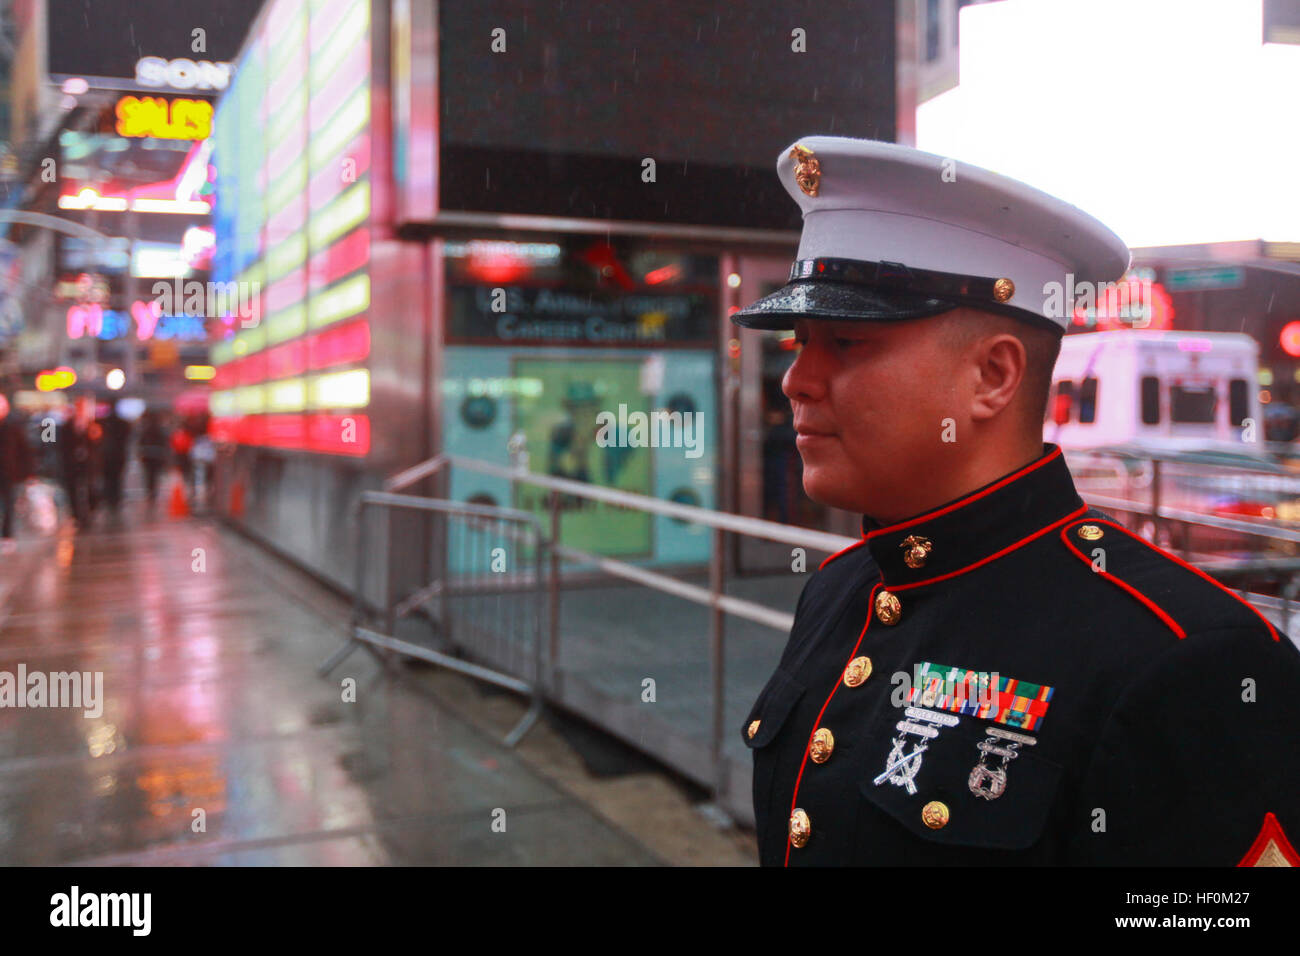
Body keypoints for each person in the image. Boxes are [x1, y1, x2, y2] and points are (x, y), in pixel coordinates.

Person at [732, 136, 1300, 866]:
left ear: (993, 376)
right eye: (799, 342)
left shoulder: (1188, 660)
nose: (797, 381)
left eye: (844, 341)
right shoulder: (841, 589)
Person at [0, 394, 34, 547]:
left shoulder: (13, 428)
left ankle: (7, 535)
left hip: (8, 473)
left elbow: (24, 451)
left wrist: (27, 472)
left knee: (9, 504)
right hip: (8, 472)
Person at [97, 404, 131, 514]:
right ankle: (114, 497)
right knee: (116, 478)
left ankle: (110, 497)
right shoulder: (122, 424)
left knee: (109, 478)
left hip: (107, 456)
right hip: (117, 455)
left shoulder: (104, 423)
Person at [137, 411, 168, 509]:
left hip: (148, 455)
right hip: (156, 455)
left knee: (149, 474)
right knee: (154, 474)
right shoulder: (160, 430)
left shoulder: (145, 430)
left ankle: (150, 491)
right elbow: (164, 443)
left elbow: (141, 442)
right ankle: (153, 491)